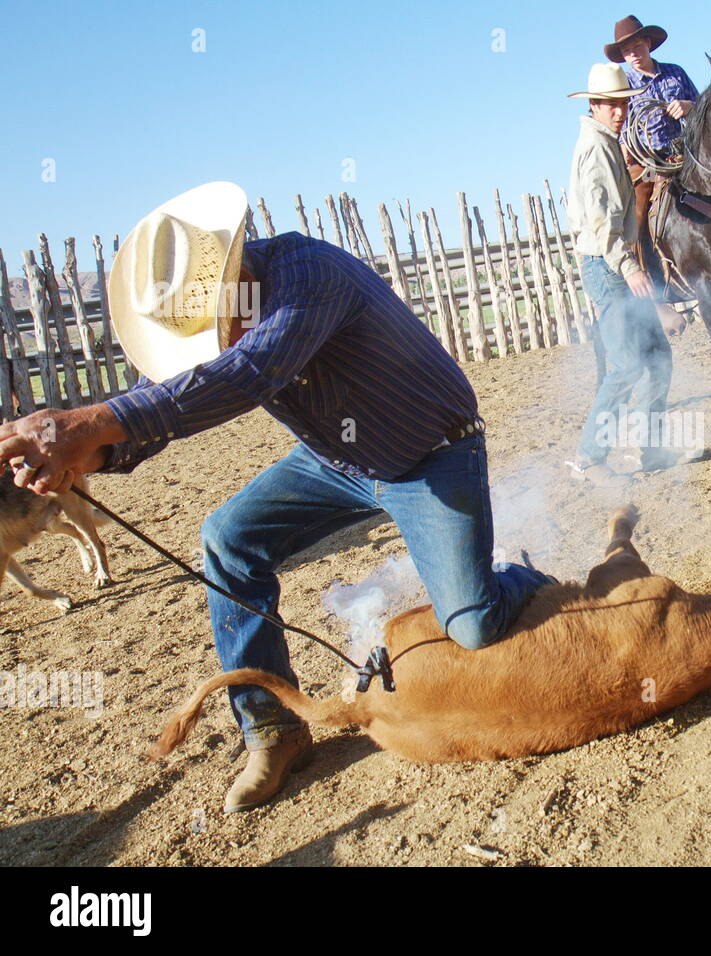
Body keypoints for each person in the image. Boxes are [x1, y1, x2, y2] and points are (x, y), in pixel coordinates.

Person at [0, 182, 554, 812]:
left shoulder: (308, 273)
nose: (215, 344)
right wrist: (84, 453)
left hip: (431, 456)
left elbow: (247, 372)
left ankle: (520, 577)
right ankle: (273, 728)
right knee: (228, 539)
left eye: (216, 325)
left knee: (474, 626)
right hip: (337, 459)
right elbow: (169, 399)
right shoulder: (240, 306)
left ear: (237, 273)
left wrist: (96, 423)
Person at [566, 63, 674, 485]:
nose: (619, 112)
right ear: (594, 105)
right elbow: (600, 224)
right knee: (628, 363)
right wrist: (629, 267)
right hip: (607, 267)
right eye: (611, 105)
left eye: (622, 104)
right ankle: (588, 457)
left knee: (658, 357)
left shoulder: (607, 143)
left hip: (613, 264)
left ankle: (648, 450)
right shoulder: (595, 150)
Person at [606, 15, 699, 334]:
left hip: (682, 154)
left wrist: (688, 107)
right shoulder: (624, 84)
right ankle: (655, 298)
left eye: (636, 45)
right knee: (639, 215)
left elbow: (703, 110)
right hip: (643, 163)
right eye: (626, 50)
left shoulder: (676, 73)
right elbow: (616, 126)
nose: (632, 53)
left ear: (648, 43)